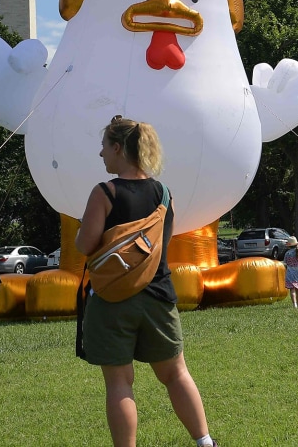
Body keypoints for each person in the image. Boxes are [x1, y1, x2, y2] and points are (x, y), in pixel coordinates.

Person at [76, 116, 217, 447]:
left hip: (112, 299)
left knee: (120, 382)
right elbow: (161, 246)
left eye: (103, 147)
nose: (101, 154)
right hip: (158, 296)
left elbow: (84, 245)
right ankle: (205, 442)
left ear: (117, 148)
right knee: (176, 374)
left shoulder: (104, 192)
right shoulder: (164, 194)